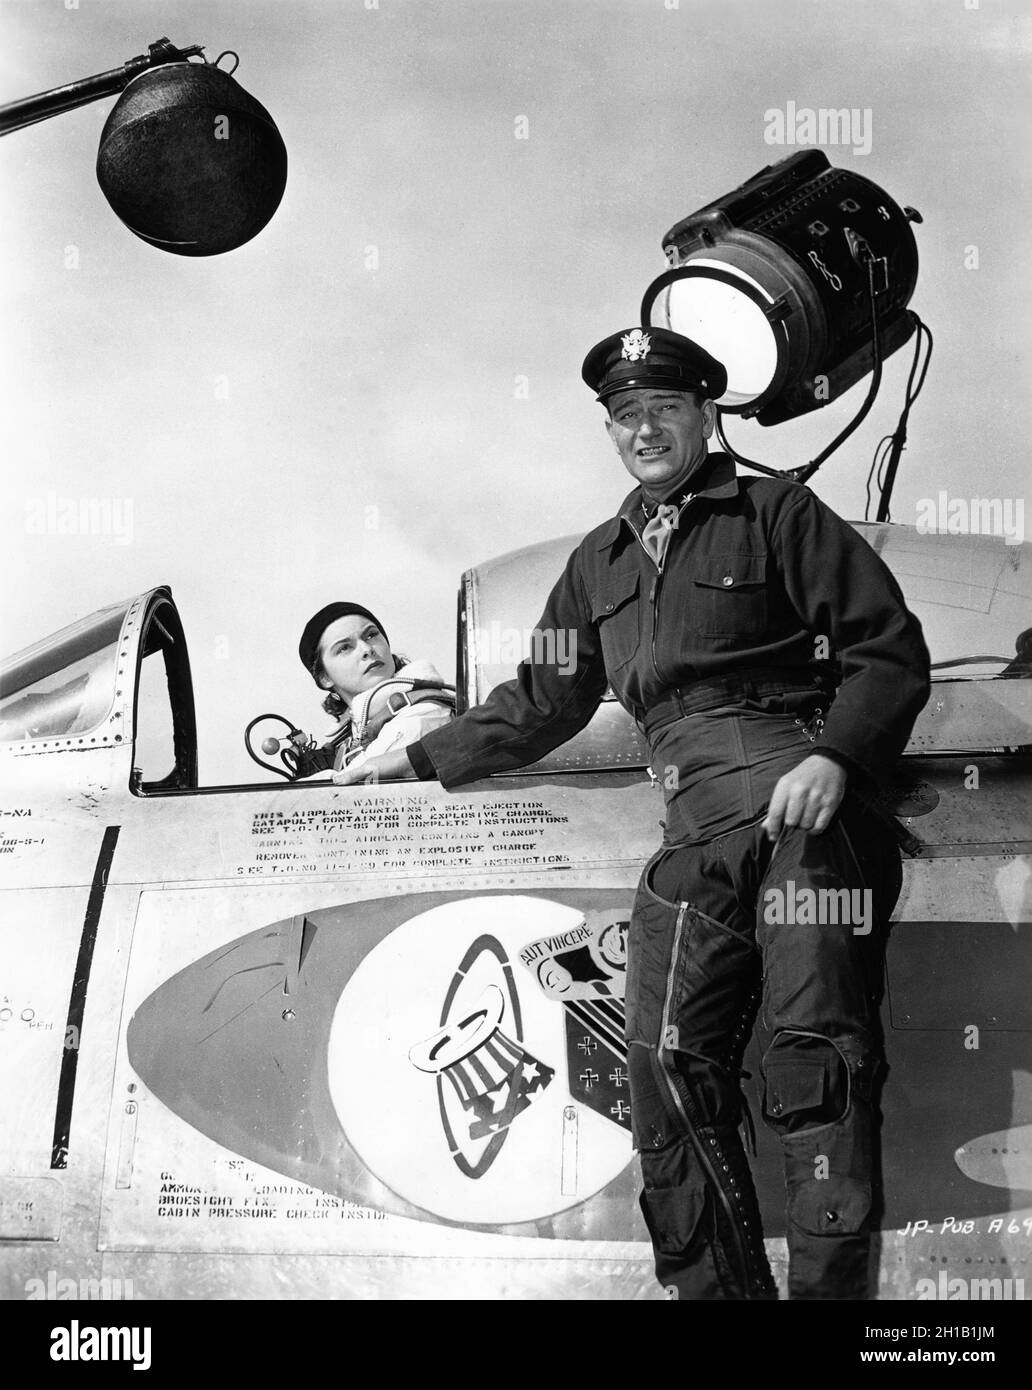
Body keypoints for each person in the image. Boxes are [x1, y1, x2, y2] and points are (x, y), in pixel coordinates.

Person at [335, 327, 932, 1301]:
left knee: (812, 1063)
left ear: (705, 414)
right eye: (624, 415)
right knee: (658, 1071)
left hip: (797, 816)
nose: (643, 428)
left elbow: (886, 649)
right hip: (689, 832)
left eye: (663, 408)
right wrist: (408, 760)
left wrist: (833, 756)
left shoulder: (774, 512)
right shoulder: (599, 562)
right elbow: (540, 702)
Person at [293, 602, 455, 778]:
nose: (367, 649)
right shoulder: (349, 735)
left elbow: (351, 786)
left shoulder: (425, 709)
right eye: (345, 647)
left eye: (371, 635)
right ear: (325, 677)